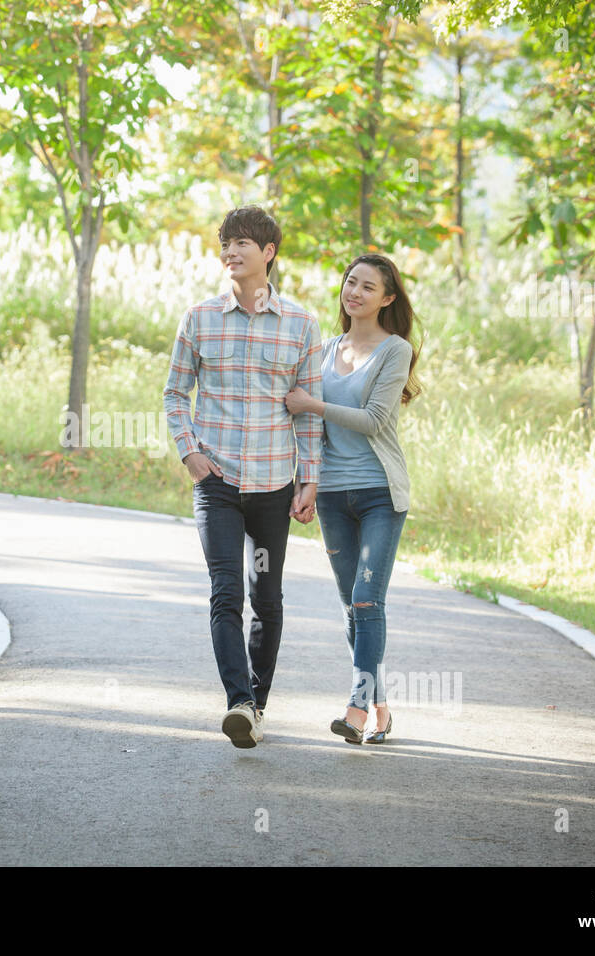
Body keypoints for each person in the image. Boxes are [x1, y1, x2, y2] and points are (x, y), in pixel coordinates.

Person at [163, 205, 322, 749]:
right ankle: (238, 703)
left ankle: (259, 701)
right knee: (226, 592)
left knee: (268, 598)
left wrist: (310, 480)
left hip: (275, 484)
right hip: (218, 482)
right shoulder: (200, 317)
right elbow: (173, 393)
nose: (231, 253)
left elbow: (307, 408)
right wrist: (189, 453)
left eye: (242, 245)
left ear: (268, 253)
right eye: (226, 244)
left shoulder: (302, 324)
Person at [284, 253, 421, 745]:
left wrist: (313, 402)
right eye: (350, 282)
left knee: (367, 598)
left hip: (380, 493)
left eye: (368, 287)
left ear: (387, 298)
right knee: (353, 607)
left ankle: (356, 708)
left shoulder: (394, 351)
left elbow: (373, 420)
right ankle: (381, 705)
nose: (355, 292)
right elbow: (312, 429)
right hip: (332, 494)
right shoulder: (324, 350)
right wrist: (307, 482)